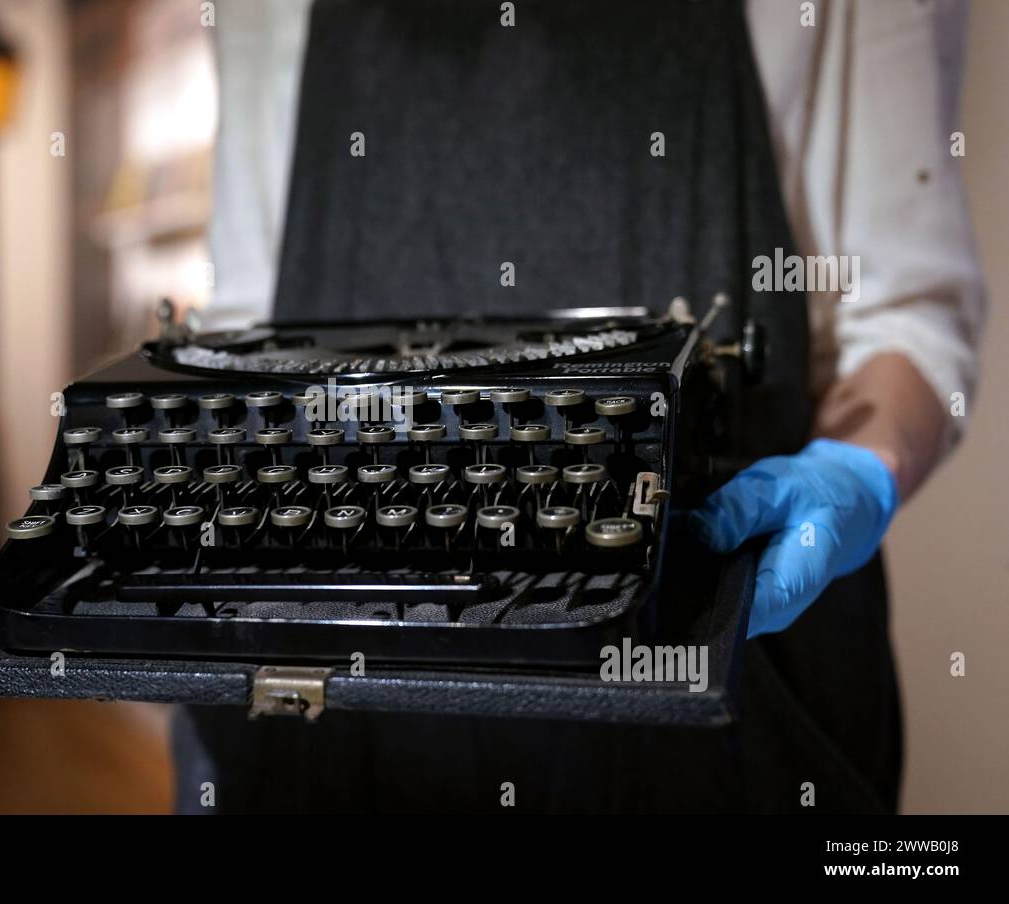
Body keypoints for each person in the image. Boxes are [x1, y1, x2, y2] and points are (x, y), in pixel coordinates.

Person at [172, 0, 985, 813]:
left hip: (720, 668)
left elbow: (906, 313)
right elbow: (246, 311)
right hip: (339, 697)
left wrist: (861, 469)